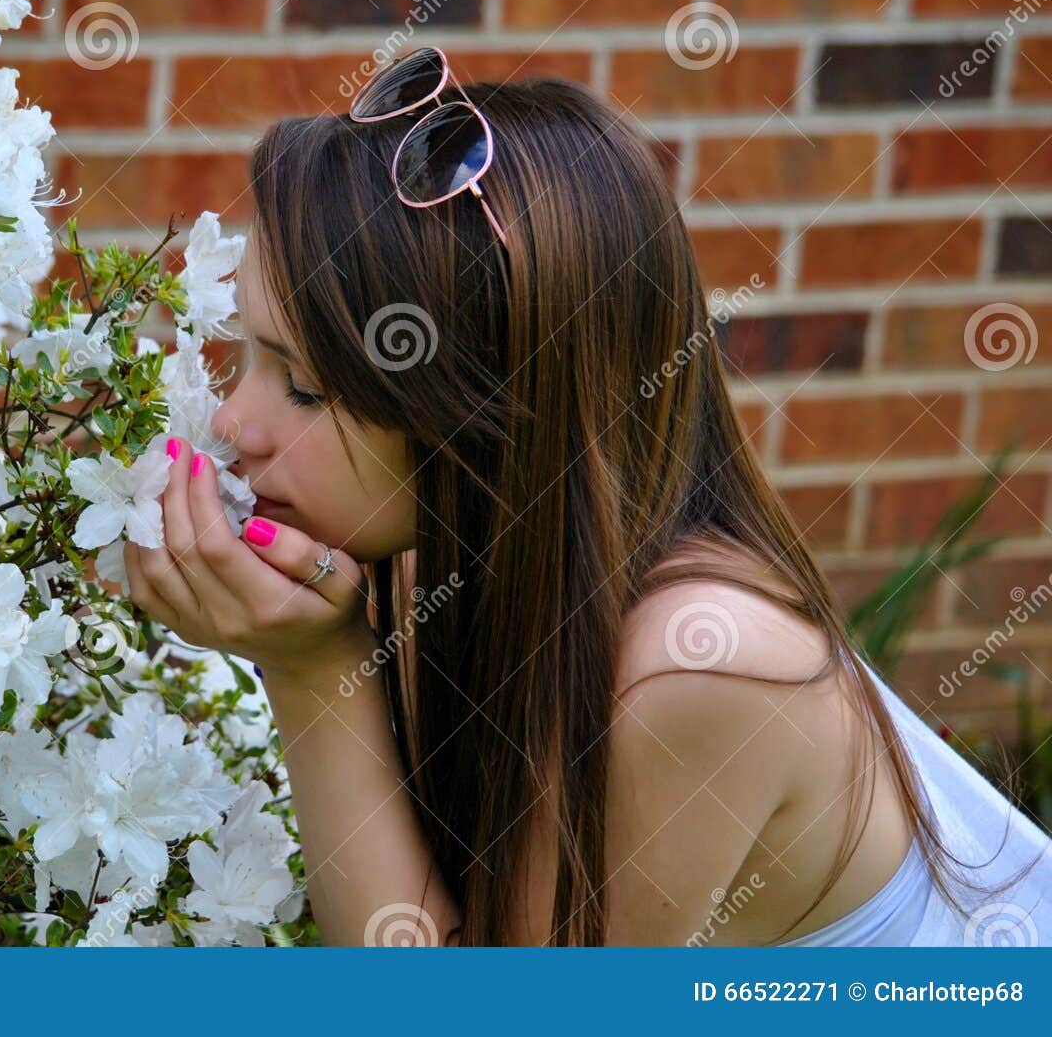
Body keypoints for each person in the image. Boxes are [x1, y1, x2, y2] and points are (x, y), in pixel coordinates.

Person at [121, 54, 1052, 946]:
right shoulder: (439, 544)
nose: (233, 422)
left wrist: (316, 678)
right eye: (243, 357)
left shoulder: (698, 670)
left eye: (305, 388)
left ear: (488, 414)